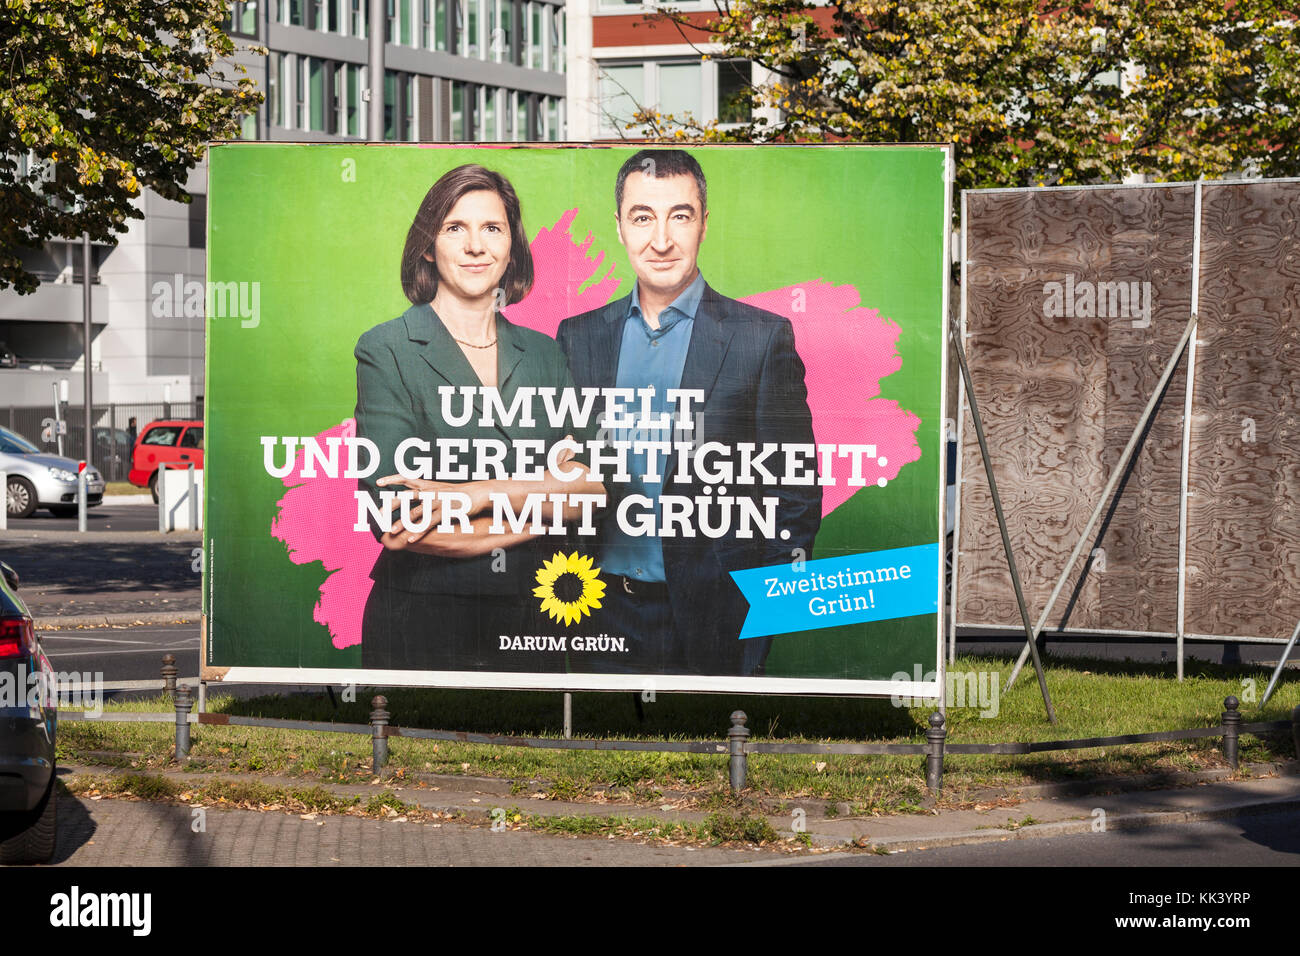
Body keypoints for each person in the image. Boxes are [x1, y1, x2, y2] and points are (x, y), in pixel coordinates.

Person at [556, 149, 821, 677]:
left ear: (704, 224)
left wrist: (762, 619)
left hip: (717, 616)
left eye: (680, 215)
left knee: (706, 759)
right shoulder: (578, 338)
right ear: (619, 227)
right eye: (642, 217)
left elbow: (795, 490)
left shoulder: (761, 338)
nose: (661, 240)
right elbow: (556, 470)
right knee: (602, 757)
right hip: (597, 608)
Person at [354, 164, 603, 672]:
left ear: (511, 246)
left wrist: (474, 495)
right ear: (428, 245)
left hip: (539, 618)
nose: (475, 246)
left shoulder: (544, 353)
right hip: (422, 620)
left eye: (492, 228)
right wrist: (547, 499)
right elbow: (400, 520)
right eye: (454, 228)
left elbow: (597, 489)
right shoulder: (387, 348)